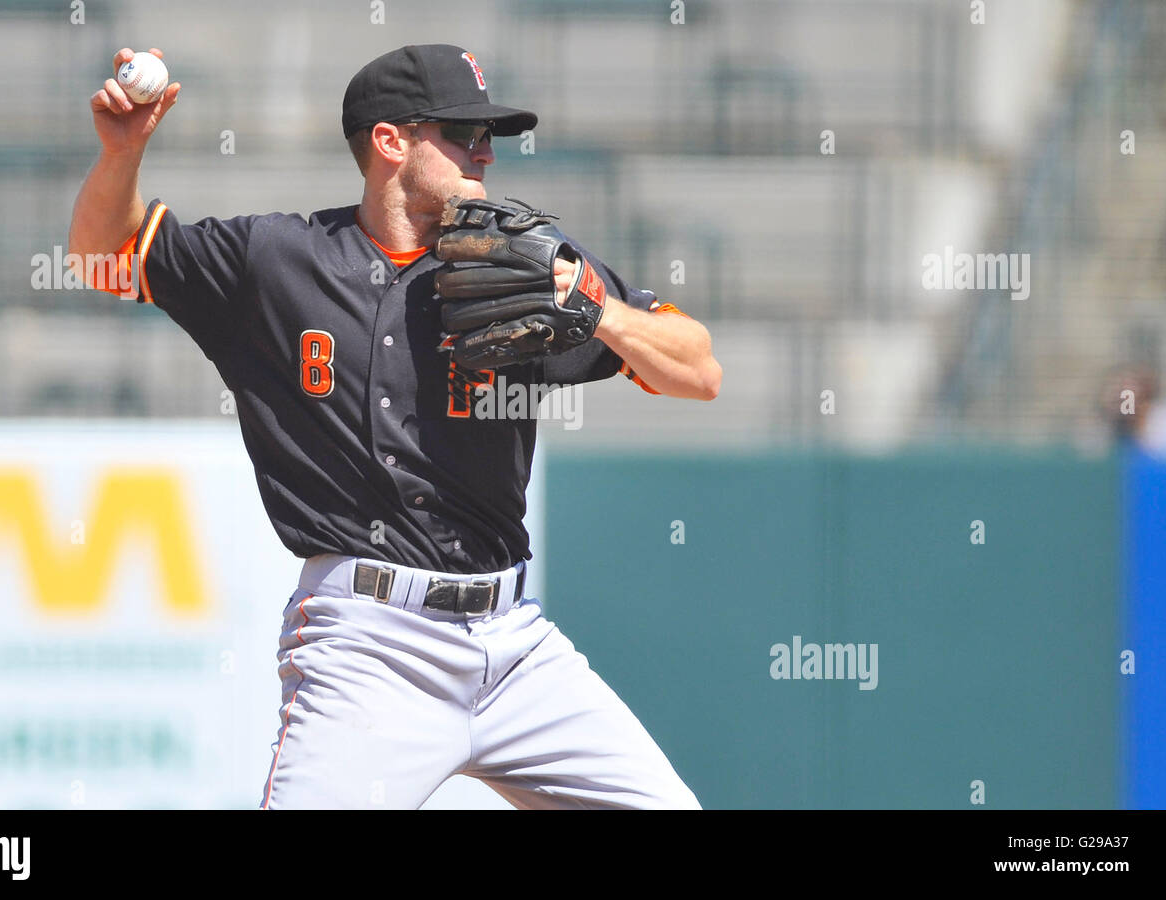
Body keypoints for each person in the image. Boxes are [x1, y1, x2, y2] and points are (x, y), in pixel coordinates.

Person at [69, 43, 721, 809]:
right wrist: (123, 153)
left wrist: (596, 309)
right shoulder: (276, 261)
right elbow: (102, 259)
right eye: (463, 134)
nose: (485, 154)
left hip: (513, 644)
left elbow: (700, 370)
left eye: (491, 138)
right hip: (367, 647)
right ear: (390, 141)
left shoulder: (520, 263)